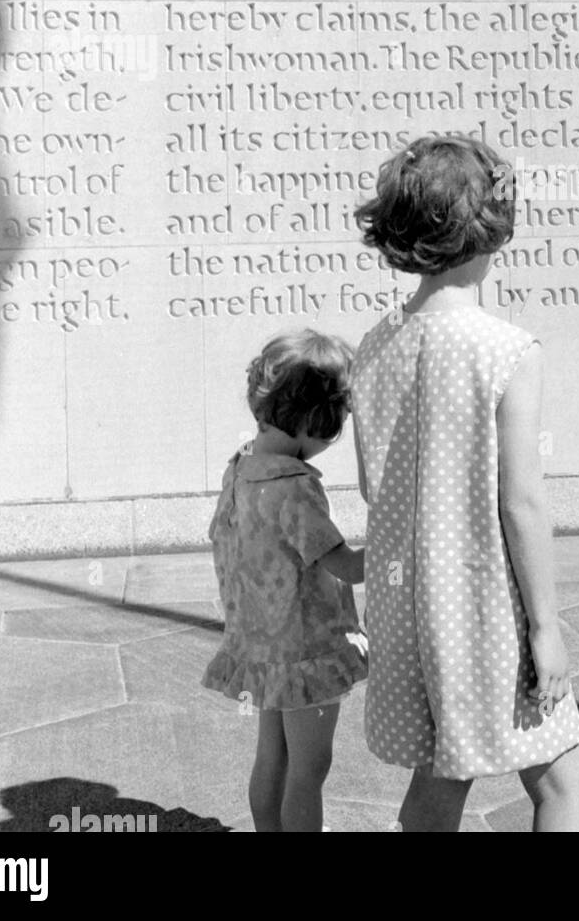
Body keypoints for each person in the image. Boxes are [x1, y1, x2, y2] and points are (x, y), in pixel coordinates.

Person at [351, 134, 579, 832]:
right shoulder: (507, 349)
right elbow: (521, 504)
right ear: (493, 227)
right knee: (562, 780)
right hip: (488, 608)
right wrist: (546, 626)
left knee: (441, 775)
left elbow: (376, 488)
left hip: (407, 610)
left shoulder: (374, 343)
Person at [203, 329, 368, 832]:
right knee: (310, 769)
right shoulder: (294, 487)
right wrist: (398, 545)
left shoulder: (242, 468)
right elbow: (342, 565)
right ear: (315, 422)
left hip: (261, 646)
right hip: (306, 651)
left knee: (271, 758)